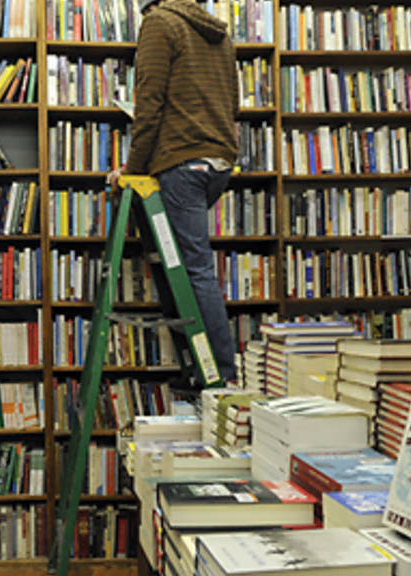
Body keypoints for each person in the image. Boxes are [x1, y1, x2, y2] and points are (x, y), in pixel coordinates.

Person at [107, 0, 239, 382]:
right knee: (175, 262)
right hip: (216, 162)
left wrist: (132, 171)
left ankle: (220, 375)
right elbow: (234, 105)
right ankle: (198, 366)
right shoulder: (220, 33)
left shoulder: (159, 23)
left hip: (182, 161)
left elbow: (148, 103)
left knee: (194, 268)